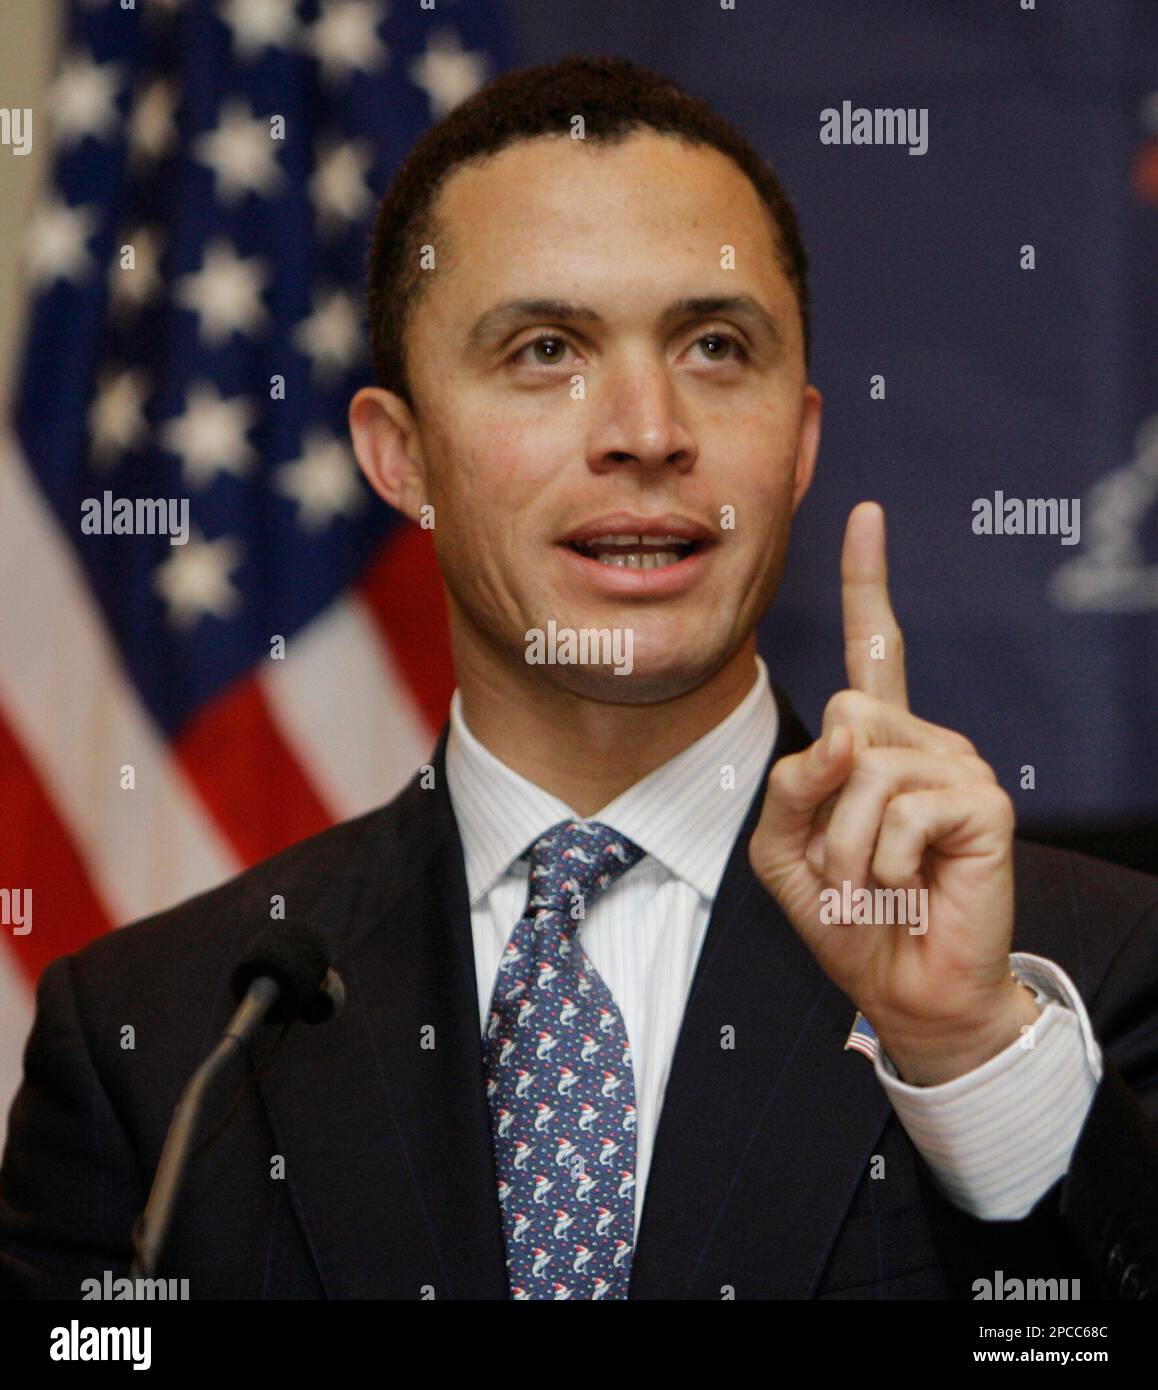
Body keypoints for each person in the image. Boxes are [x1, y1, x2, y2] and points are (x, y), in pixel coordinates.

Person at [2, 55, 1156, 1302]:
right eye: (546, 349)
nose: (647, 430)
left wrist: (965, 1053)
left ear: (802, 439)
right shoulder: (160, 1042)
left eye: (715, 346)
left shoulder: (1077, 975)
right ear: (401, 458)